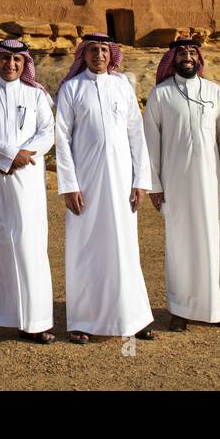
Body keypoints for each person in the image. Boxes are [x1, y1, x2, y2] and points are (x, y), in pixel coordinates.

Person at [54, 33, 157, 344]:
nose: (99, 55)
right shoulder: (72, 88)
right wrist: (69, 185)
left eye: (103, 50)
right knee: (86, 248)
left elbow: (136, 135)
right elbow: (62, 139)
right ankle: (84, 321)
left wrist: (140, 181)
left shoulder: (122, 86)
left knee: (124, 247)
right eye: (93, 51)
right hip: (85, 183)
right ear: (83, 55)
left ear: (111, 54)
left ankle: (133, 318)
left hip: (122, 182)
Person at [0, 38, 57, 347]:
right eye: (5, 59)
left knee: (29, 245)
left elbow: (48, 132)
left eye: (18, 60)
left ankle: (34, 322)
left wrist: (22, 156)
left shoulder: (36, 96)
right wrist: (8, 155)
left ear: (25, 63)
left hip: (27, 181)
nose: (11, 64)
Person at [144, 37, 220, 330]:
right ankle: (180, 310)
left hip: (210, 182)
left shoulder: (213, 92)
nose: (187, 57)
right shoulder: (160, 94)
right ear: (173, 59)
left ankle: (214, 308)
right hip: (175, 184)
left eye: (192, 53)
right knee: (180, 244)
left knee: (212, 242)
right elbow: (150, 142)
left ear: (198, 59)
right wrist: (154, 184)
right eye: (182, 52)